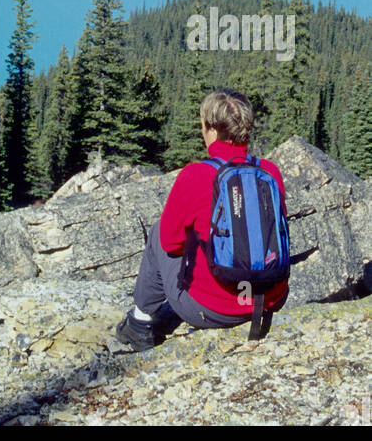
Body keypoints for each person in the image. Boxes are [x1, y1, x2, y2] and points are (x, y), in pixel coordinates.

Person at [116, 88, 289, 350]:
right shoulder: (269, 171)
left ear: (211, 130)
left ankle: (140, 324)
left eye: (203, 125)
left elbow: (171, 244)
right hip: (268, 300)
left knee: (159, 232)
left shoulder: (195, 175)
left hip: (213, 309)